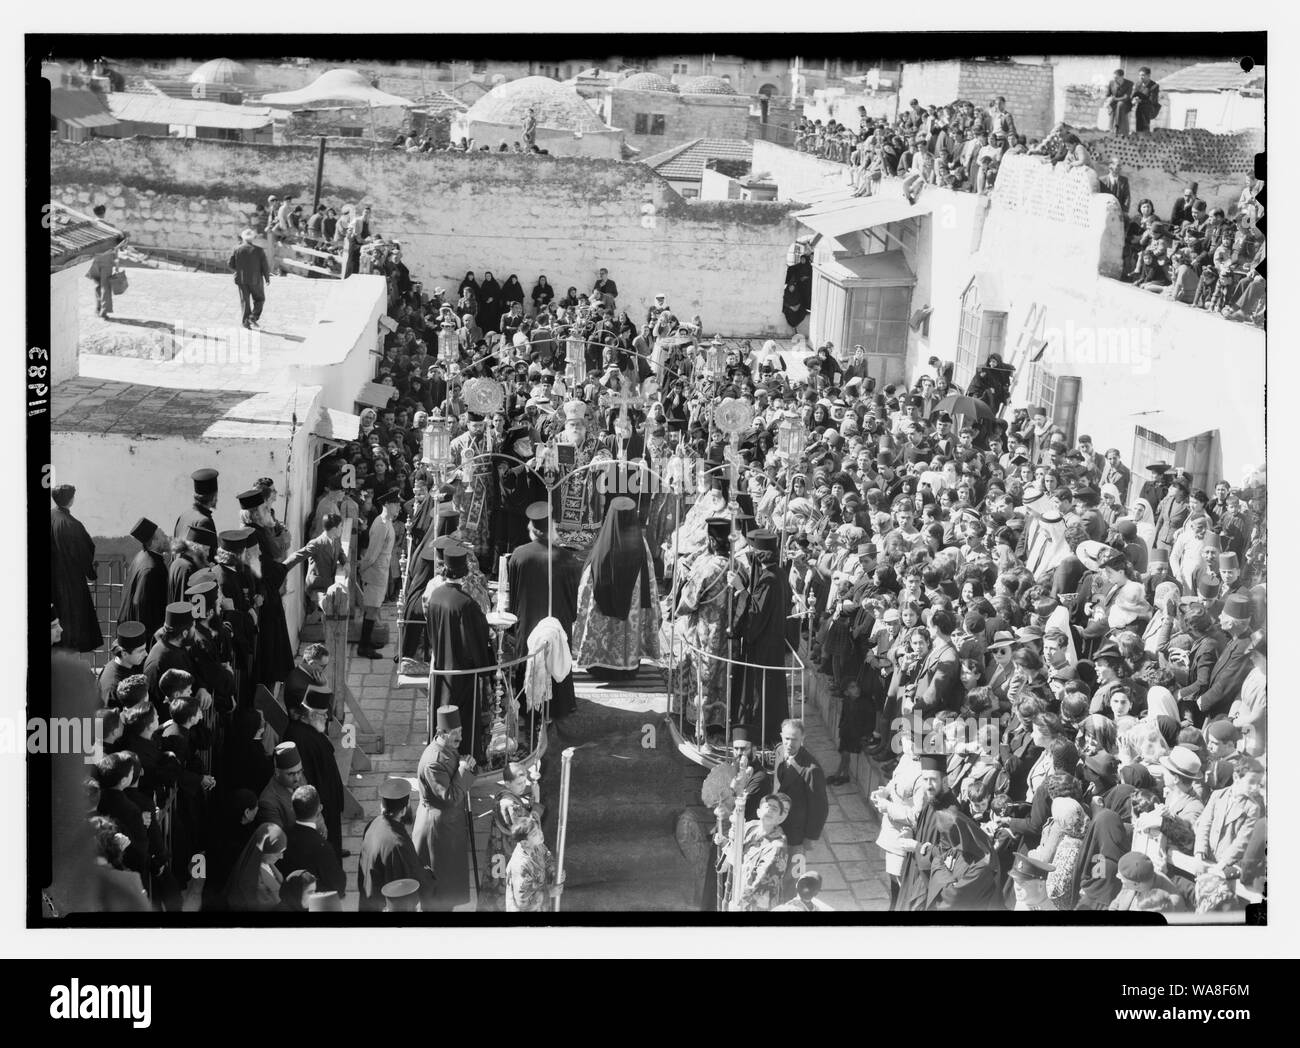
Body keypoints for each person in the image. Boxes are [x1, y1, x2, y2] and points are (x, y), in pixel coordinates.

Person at [572, 496, 661, 677]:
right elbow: (650, 580)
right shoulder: (641, 545)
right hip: (631, 612)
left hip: (601, 610)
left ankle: (598, 664)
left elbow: (587, 582)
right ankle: (626, 665)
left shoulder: (603, 541)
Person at [507, 502, 581, 718]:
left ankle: (528, 707)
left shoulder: (519, 555)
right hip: (557, 620)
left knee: (529, 659)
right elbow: (573, 597)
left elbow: (513, 595)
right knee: (557, 657)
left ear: (531, 528)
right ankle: (560, 705)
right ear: (552, 528)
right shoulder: (567, 558)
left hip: (527, 621)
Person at [426, 545, 494, 759]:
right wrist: (487, 664)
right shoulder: (466, 604)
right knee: (462, 721)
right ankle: (465, 758)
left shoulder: (434, 597)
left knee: (440, 715)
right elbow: (475, 641)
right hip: (462, 675)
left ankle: (438, 754)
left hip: (440, 668)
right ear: (464, 574)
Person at [412, 705, 477, 911]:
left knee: (447, 883)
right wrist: (464, 770)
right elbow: (450, 797)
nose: (459, 737)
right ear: (440, 733)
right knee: (439, 886)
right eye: (454, 733)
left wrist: (466, 767)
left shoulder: (446, 748)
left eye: (460, 730)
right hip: (438, 831)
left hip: (447, 824)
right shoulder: (434, 762)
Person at [730, 530, 792, 744]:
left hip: (763, 645)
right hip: (773, 642)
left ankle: (759, 735)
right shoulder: (780, 574)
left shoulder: (769, 580)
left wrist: (740, 590)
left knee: (760, 690)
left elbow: (755, 615)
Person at [283, 688, 346, 860]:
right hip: (319, 808)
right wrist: (317, 816)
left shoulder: (310, 729)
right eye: (323, 714)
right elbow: (302, 781)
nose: (327, 718)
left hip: (328, 804)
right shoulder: (298, 737)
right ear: (311, 715)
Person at [359, 778, 435, 912]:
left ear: (383, 806)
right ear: (404, 809)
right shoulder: (398, 844)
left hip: (368, 898)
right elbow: (409, 878)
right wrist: (429, 875)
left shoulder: (373, 823)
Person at [51, 485, 102, 653]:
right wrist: (91, 572)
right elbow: (84, 551)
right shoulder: (72, 524)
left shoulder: (51, 517)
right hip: (70, 585)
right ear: (71, 500)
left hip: (53, 583)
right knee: (72, 628)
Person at [717, 793, 790, 912]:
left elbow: (762, 881)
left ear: (779, 818)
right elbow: (736, 851)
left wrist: (740, 902)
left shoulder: (778, 846)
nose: (770, 811)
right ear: (758, 812)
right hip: (737, 888)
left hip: (756, 902)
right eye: (767, 806)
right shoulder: (751, 826)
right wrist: (726, 843)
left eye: (775, 809)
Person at [278, 785, 346, 898]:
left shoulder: (283, 836)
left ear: (293, 809)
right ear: (319, 808)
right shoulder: (322, 846)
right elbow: (338, 884)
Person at [357, 490, 399, 659]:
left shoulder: (386, 522)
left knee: (373, 609)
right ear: (387, 505)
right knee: (372, 609)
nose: (398, 507)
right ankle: (363, 646)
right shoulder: (381, 524)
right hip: (375, 571)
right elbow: (372, 554)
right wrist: (362, 569)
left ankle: (367, 641)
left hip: (381, 570)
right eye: (395, 504)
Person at [119, 517, 170, 638]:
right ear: (154, 542)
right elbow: (140, 604)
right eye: (162, 535)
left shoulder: (142, 557)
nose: (167, 537)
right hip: (144, 638)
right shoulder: (151, 568)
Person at [505, 813, 559, 912]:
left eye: (538, 829)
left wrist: (554, 871)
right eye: (534, 833)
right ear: (524, 842)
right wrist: (549, 893)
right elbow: (523, 902)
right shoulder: (520, 866)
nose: (540, 833)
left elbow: (547, 857)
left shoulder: (538, 846)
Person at [228, 228, 272, 330]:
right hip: (255, 279)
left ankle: (245, 322)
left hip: (241, 279)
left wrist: (239, 270)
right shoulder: (259, 250)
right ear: (253, 238)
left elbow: (230, 264)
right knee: (260, 299)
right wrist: (267, 278)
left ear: (243, 238)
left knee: (245, 301)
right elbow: (264, 266)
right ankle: (253, 316)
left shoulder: (237, 249)